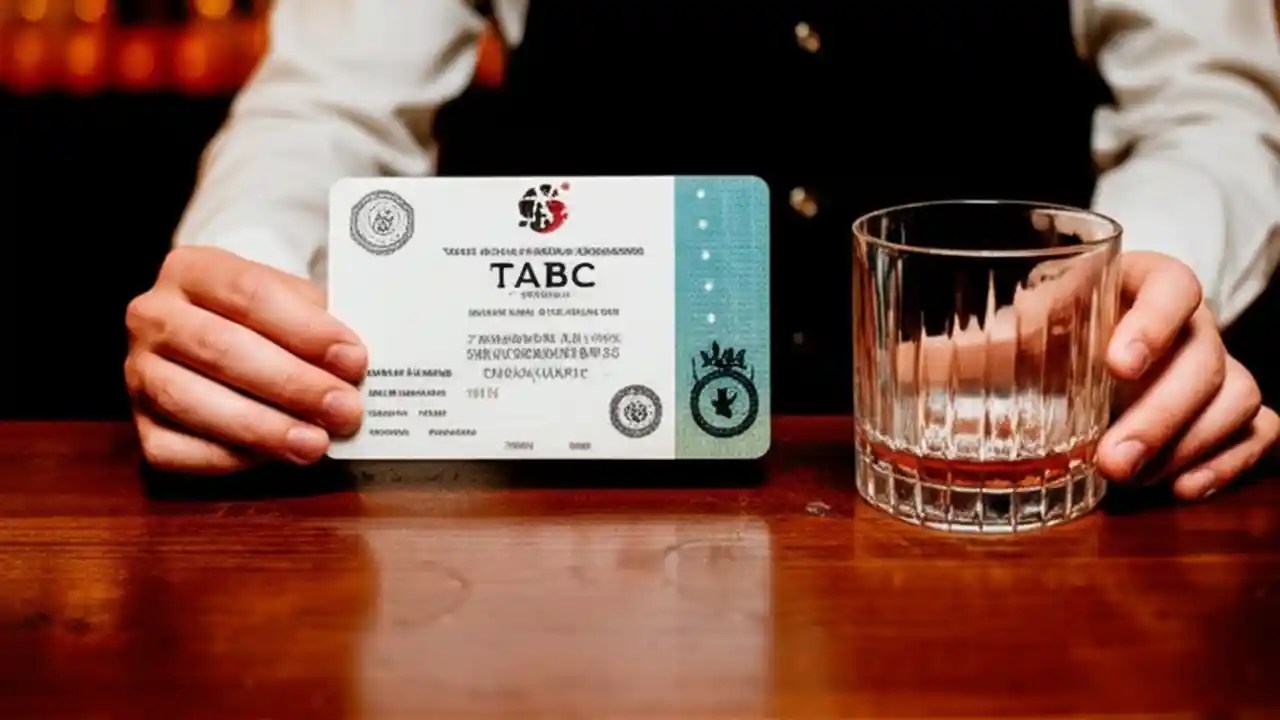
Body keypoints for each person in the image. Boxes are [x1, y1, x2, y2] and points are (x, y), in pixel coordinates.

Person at [125, 0, 1280, 499]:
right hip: (582, 538)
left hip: (987, 469)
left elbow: (1206, 108)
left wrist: (1136, 307)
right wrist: (245, 294)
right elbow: (325, 109)